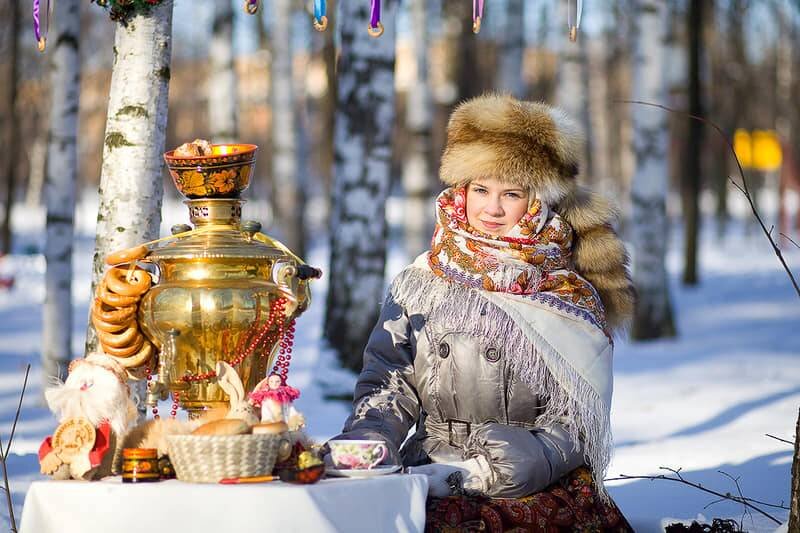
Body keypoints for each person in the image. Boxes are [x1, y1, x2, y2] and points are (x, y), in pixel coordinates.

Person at [333, 94, 635, 530]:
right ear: (461, 190)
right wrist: (372, 435)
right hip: (430, 467)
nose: (491, 209)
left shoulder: (568, 292)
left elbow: (579, 420)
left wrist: (532, 458)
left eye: (510, 194)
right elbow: (388, 378)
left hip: (533, 482)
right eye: (480, 190)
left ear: (536, 201)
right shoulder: (424, 279)